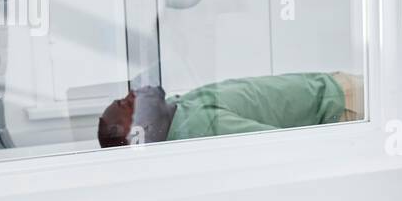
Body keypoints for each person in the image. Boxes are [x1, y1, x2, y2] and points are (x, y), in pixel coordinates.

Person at [97, 71, 363, 148]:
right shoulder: (199, 127)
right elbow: (280, 144)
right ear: (135, 129)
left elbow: (151, 91)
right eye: (124, 105)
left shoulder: (180, 110)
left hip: (333, 89)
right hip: (341, 105)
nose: (131, 95)